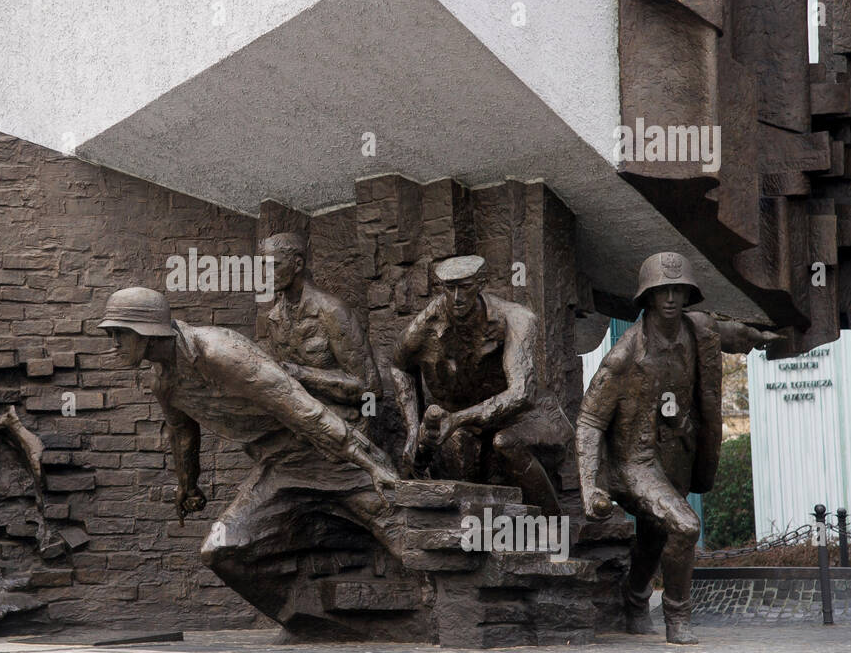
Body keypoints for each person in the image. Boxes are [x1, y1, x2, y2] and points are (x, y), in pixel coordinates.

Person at [98, 286, 406, 630]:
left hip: (329, 453)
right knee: (219, 551)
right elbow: (182, 433)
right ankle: (327, 627)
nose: (113, 343)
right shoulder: (164, 382)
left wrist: (367, 462)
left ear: (147, 332)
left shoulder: (219, 352)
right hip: (279, 468)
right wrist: (187, 487)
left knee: (404, 536)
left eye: (119, 334)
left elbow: (298, 405)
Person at [577, 252, 778, 644]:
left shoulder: (698, 329)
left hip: (678, 457)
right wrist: (590, 485)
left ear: (688, 294)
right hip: (634, 463)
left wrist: (767, 336)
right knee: (685, 525)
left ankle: (635, 600)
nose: (670, 297)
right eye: (661, 290)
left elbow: (731, 332)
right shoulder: (624, 355)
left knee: (655, 535)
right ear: (647, 297)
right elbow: (589, 420)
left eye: (678, 289)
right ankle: (677, 617)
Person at [390, 255, 572, 515]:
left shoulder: (517, 319)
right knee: (457, 489)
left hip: (527, 418)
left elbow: (521, 393)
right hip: (468, 426)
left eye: (464, 287)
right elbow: (399, 365)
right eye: (448, 288)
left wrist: (457, 419)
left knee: (505, 442)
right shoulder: (428, 320)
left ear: (481, 283)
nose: (456, 297)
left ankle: (555, 524)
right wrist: (412, 427)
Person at [260, 232, 381, 426]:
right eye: (262, 266)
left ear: (297, 264)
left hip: (346, 428)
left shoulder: (332, 311)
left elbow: (371, 390)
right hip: (303, 423)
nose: (265, 273)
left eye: (274, 265)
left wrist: (301, 374)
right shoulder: (274, 317)